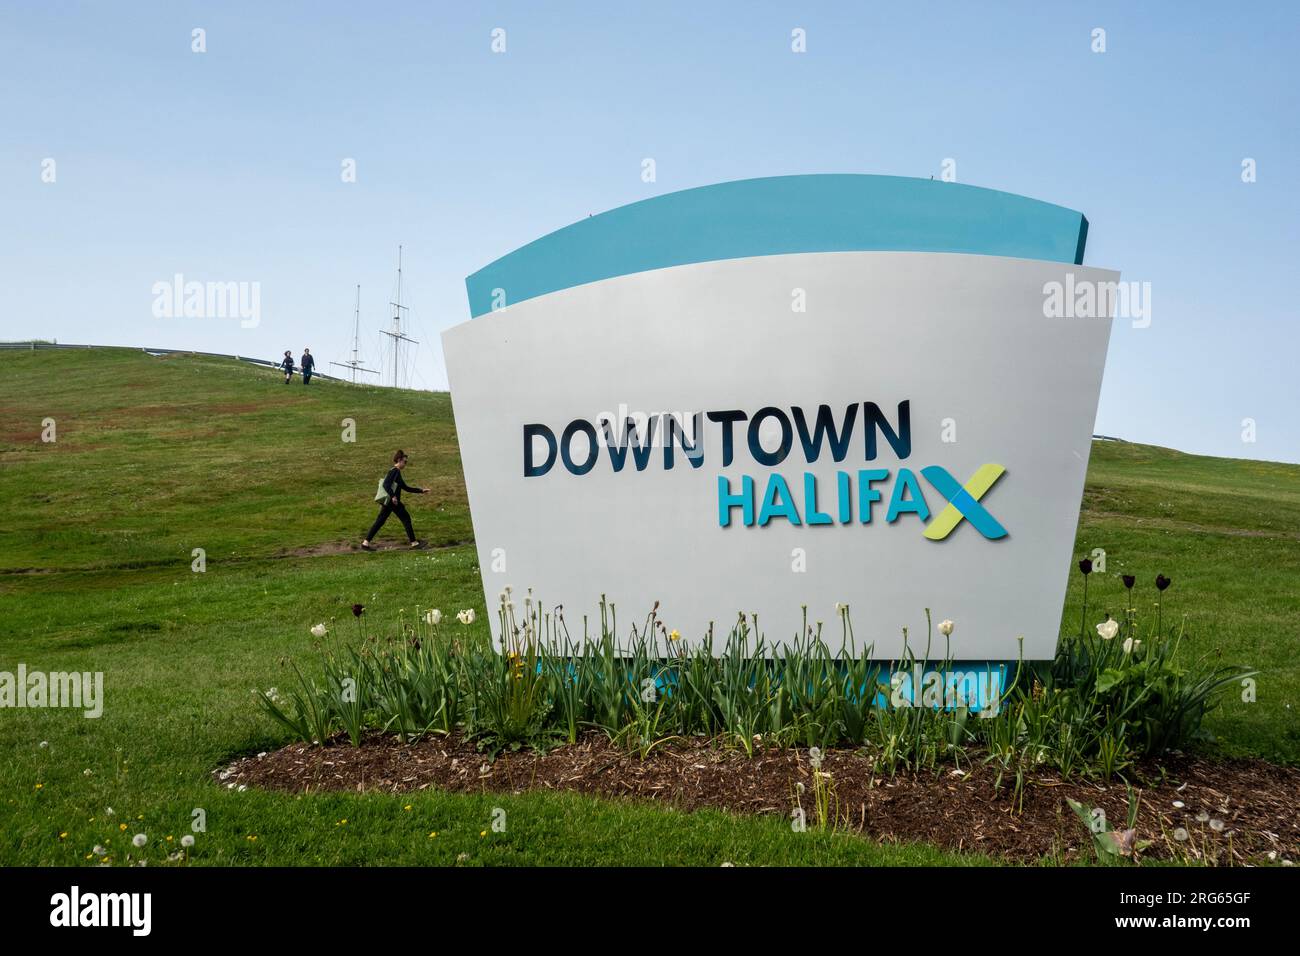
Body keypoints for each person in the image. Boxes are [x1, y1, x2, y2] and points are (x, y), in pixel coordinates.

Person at [361, 450, 429, 550]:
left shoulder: (396, 472)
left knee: (380, 521)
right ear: (399, 460)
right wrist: (393, 496)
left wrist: (421, 491)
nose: (405, 464)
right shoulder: (395, 471)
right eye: (405, 462)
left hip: (390, 502)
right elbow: (386, 485)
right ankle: (414, 543)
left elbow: (405, 488)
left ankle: (365, 543)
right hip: (393, 502)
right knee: (406, 518)